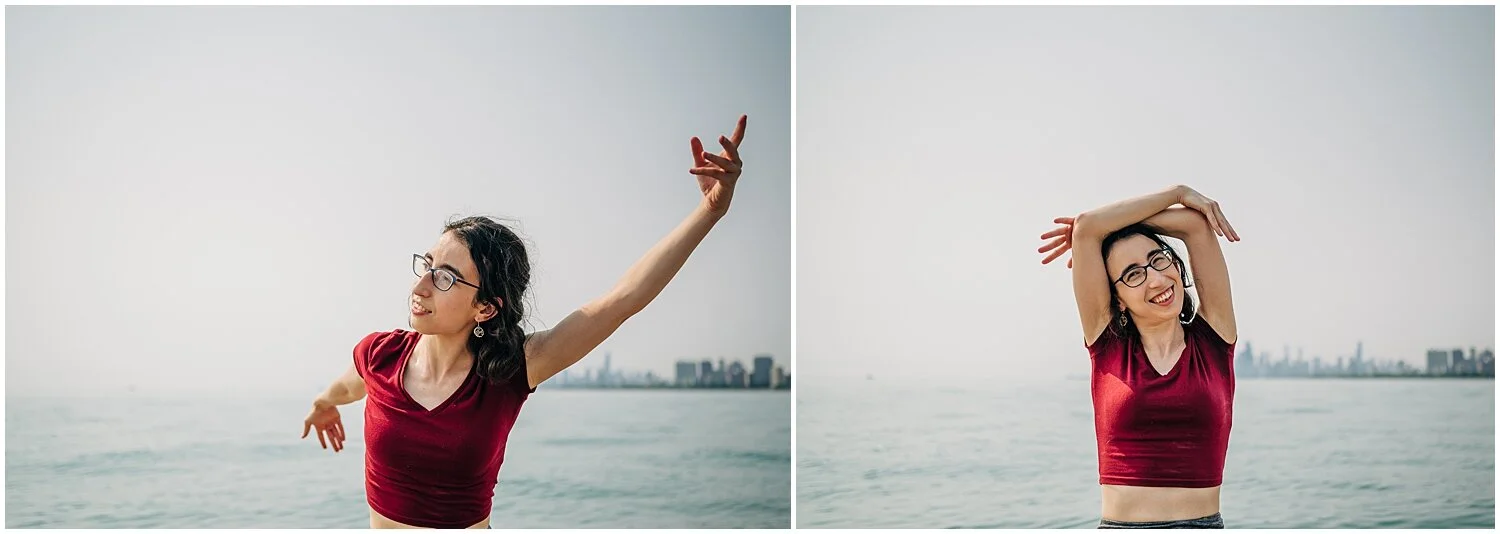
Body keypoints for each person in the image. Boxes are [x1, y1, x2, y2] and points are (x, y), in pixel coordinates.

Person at [300, 115, 750, 529]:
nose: (421, 286)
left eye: (445, 278)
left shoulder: (511, 371)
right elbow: (344, 390)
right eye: (427, 265)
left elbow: (621, 301)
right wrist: (323, 404)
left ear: (486, 308)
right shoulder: (380, 354)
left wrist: (708, 213)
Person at [1037, 184, 1241, 529]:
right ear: (1117, 298)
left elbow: (1195, 225)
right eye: (1133, 274)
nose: (1157, 279)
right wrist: (1175, 194)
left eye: (1159, 260)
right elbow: (1087, 227)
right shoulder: (1107, 346)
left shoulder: (1214, 340)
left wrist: (1115, 227)